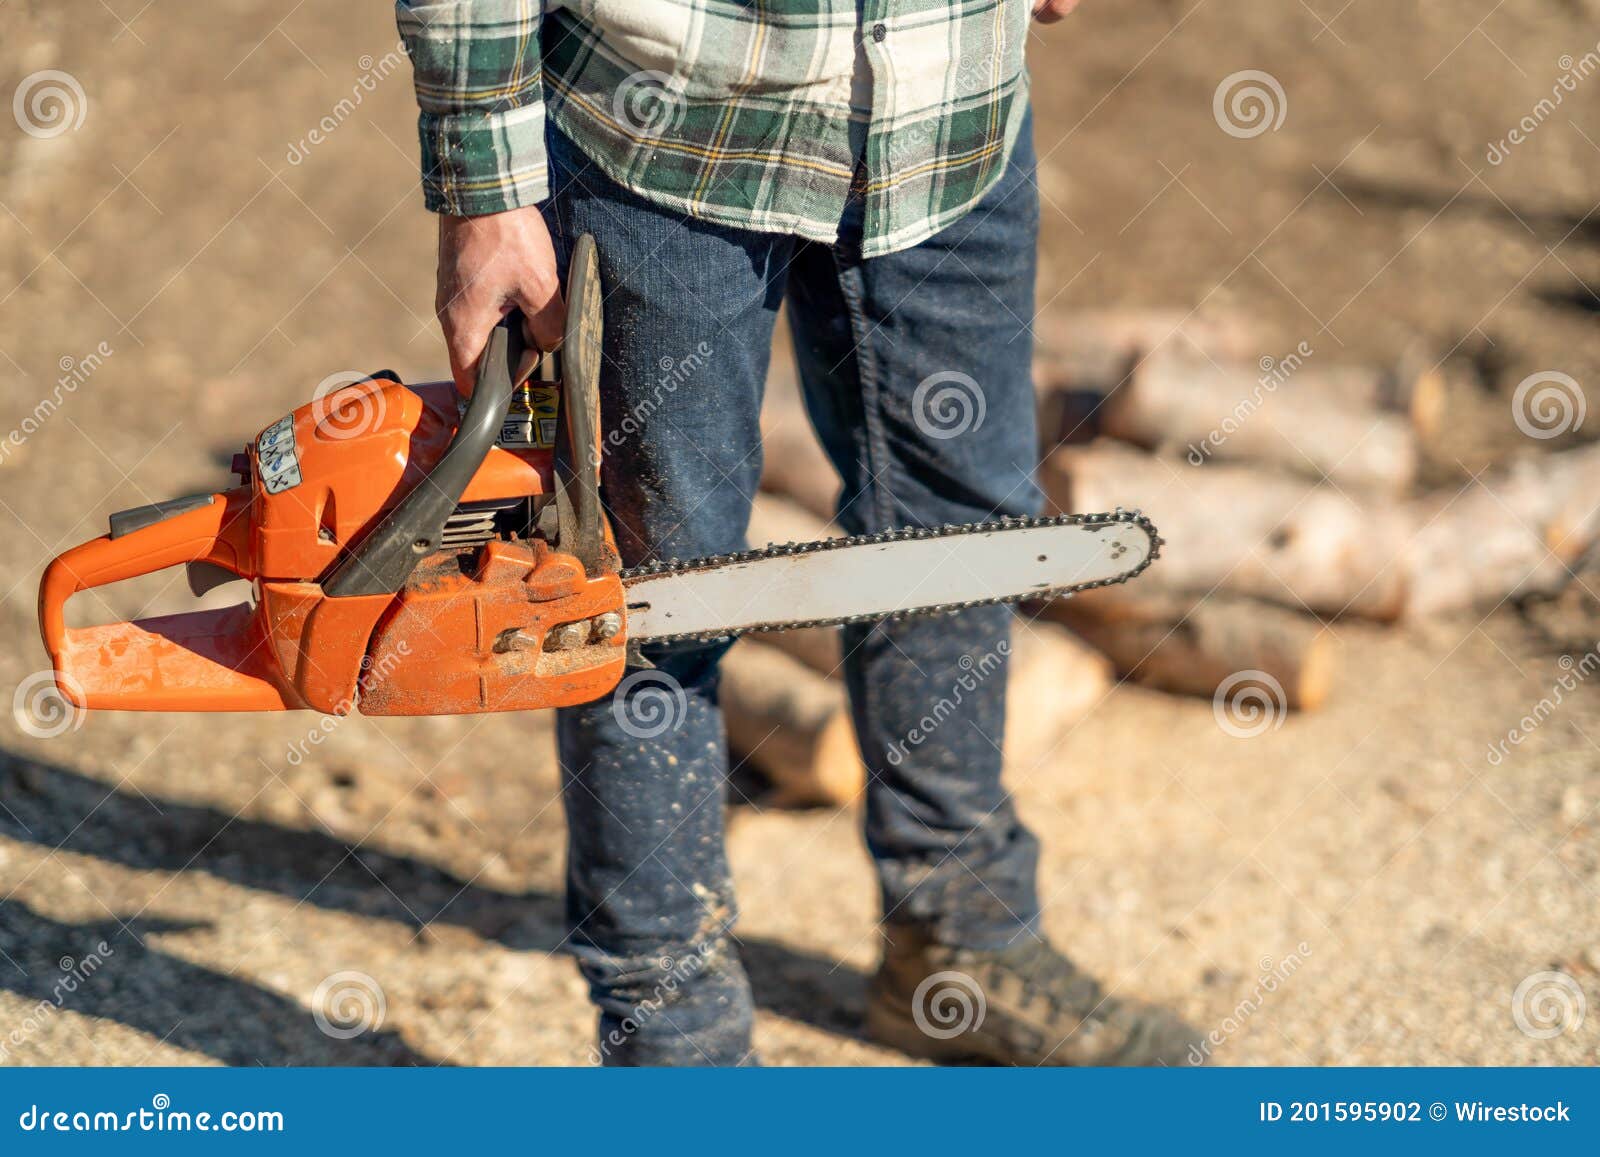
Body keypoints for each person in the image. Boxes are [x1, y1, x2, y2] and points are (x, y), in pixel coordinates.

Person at [396, 0, 1198, 1066]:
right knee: (641, 593)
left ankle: (958, 944)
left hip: (946, 108)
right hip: (663, 124)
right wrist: (485, 184)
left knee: (958, 528)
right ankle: (674, 1038)